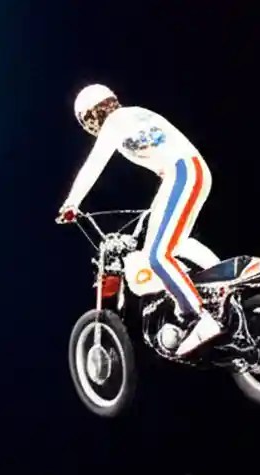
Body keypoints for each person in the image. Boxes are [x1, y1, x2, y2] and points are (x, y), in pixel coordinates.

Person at [56, 84, 221, 356]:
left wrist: (72, 202)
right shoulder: (136, 115)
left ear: (90, 116)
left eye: (88, 121)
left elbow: (94, 163)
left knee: (158, 256)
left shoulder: (114, 123)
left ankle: (198, 316)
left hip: (183, 172)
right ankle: (220, 283)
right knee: (170, 244)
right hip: (186, 172)